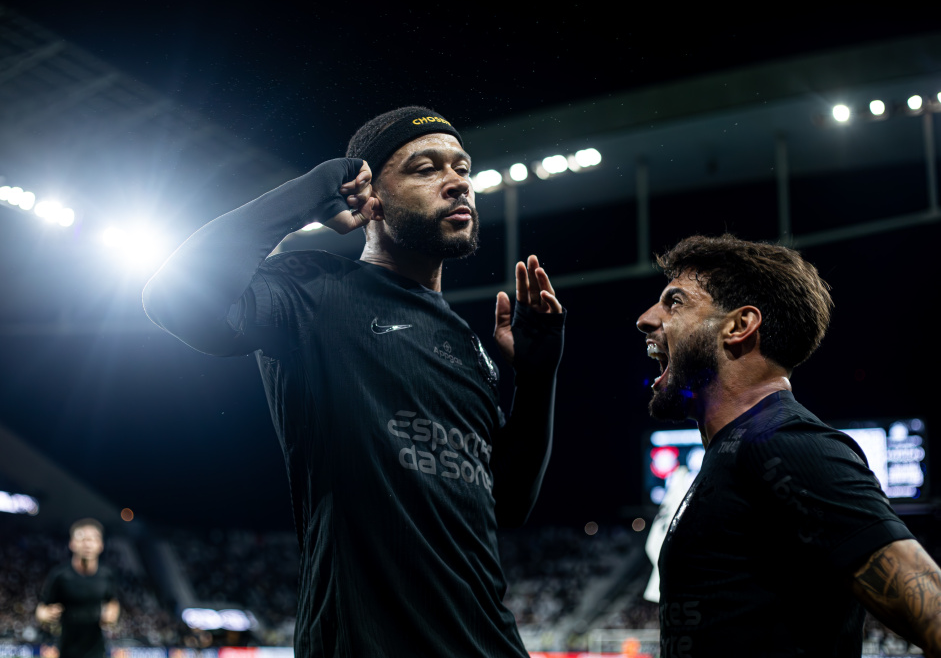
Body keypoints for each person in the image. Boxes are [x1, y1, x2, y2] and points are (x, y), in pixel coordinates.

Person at [142, 107, 565, 657]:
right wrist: (310, 191)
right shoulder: (313, 290)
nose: (458, 181)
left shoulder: (468, 344)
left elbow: (507, 505)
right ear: (370, 196)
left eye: (462, 167)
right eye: (426, 169)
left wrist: (537, 379)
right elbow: (172, 298)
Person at [636, 234, 941, 657]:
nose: (645, 319)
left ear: (739, 326)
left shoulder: (787, 444)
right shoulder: (736, 449)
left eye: (675, 302)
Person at [36, 518, 120, 658]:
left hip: (96, 651)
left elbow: (112, 601)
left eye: (93, 539)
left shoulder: (107, 576)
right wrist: (45, 615)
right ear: (72, 544)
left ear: (100, 545)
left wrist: (112, 614)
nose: (87, 544)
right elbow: (41, 608)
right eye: (82, 539)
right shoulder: (60, 576)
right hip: (66, 651)